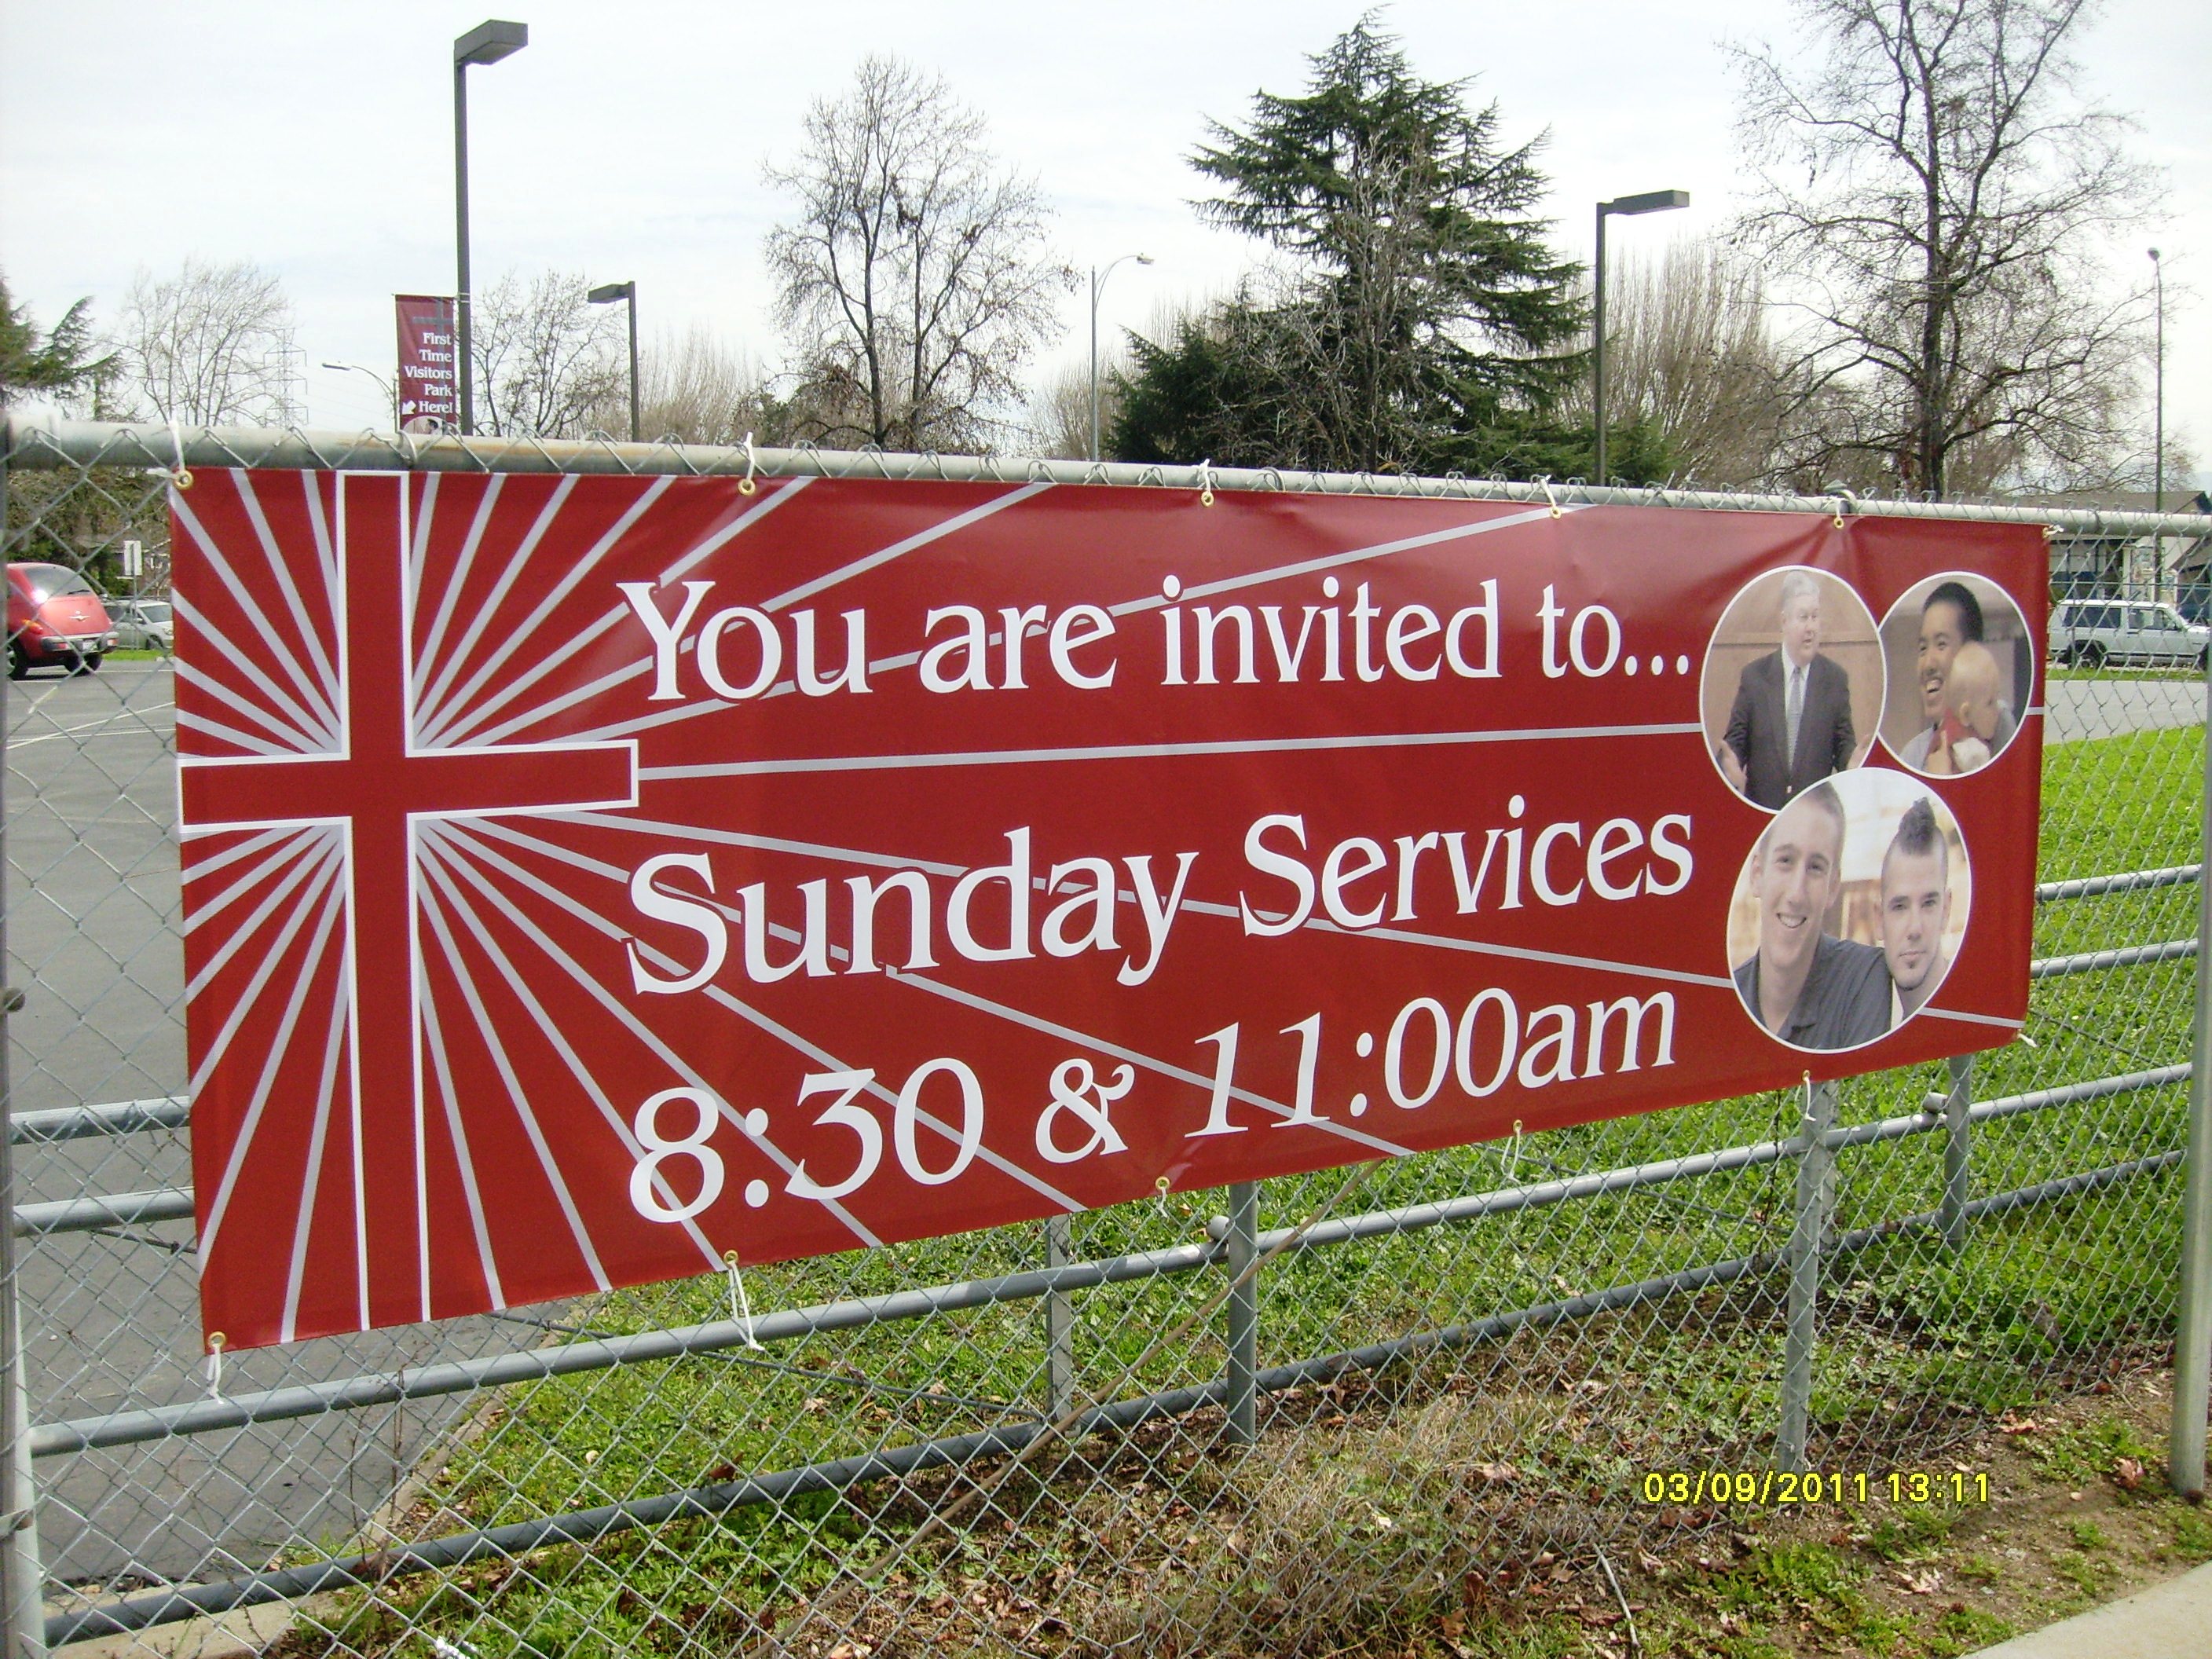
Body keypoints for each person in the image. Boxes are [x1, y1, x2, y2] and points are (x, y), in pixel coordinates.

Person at [1731, 782, 1890, 1049]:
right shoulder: (1726, 996)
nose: (1796, 893)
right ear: (1757, 874)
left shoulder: (1864, 978)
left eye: (1816, 867)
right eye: (1785, 861)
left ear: (1833, 887)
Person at [1718, 571, 1859, 808]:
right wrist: (1727, 766)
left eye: (1815, 617)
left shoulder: (1834, 679)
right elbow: (1735, 745)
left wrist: (1853, 763)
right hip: (1762, 812)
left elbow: (1844, 746)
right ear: (1784, 621)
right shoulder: (1755, 677)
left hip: (1811, 815)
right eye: (1803, 617)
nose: (1811, 627)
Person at [1900, 581, 2016, 773]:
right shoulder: (1912, 755)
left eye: (1941, 644)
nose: (1928, 664)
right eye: (1922, 648)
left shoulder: (1998, 723)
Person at [1878, 797, 1954, 1024]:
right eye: (1900, 907)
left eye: (1929, 904)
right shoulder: (1864, 1024)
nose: (1914, 929)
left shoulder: (1973, 1007)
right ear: (1879, 918)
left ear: (1946, 909)